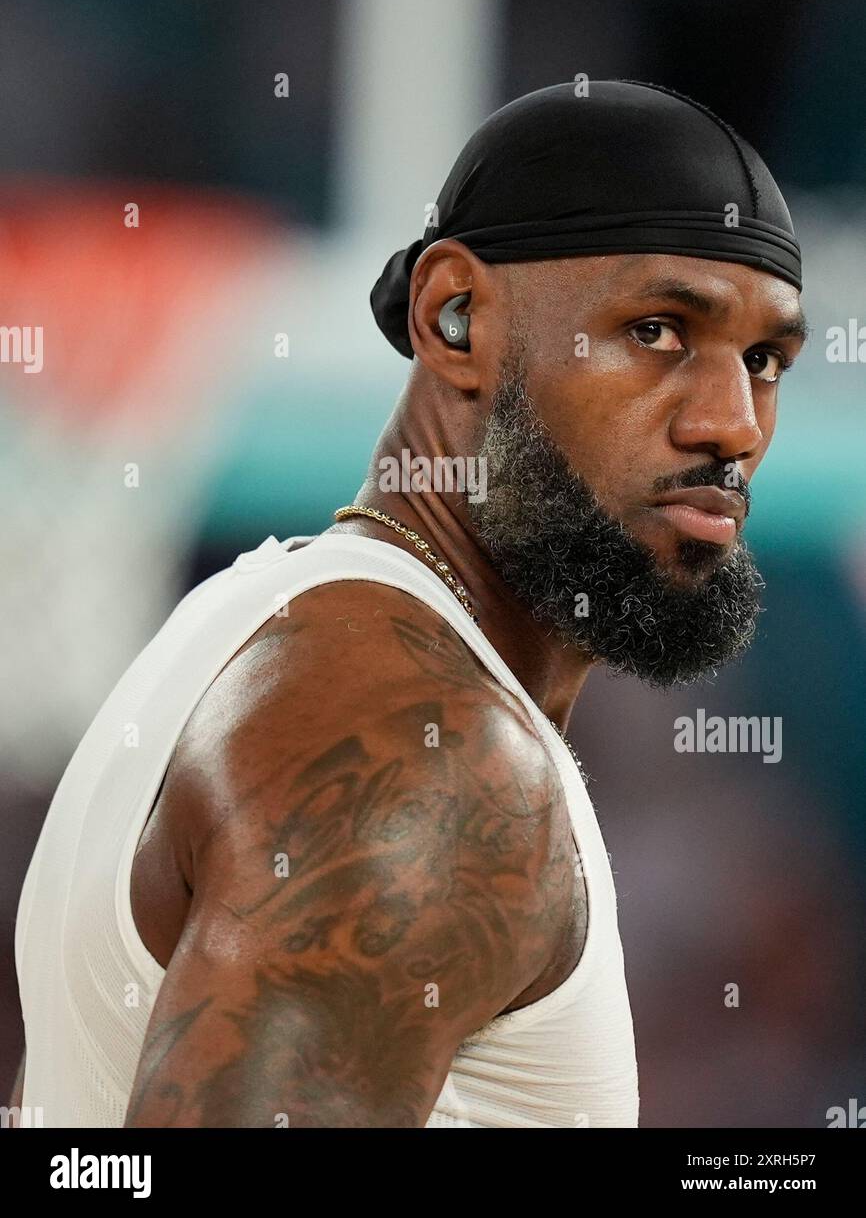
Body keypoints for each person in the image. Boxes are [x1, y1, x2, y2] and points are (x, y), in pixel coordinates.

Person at [11, 81, 807, 1128]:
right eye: (656, 329)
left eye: (762, 359)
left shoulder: (256, 626)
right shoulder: (426, 752)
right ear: (454, 318)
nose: (729, 423)